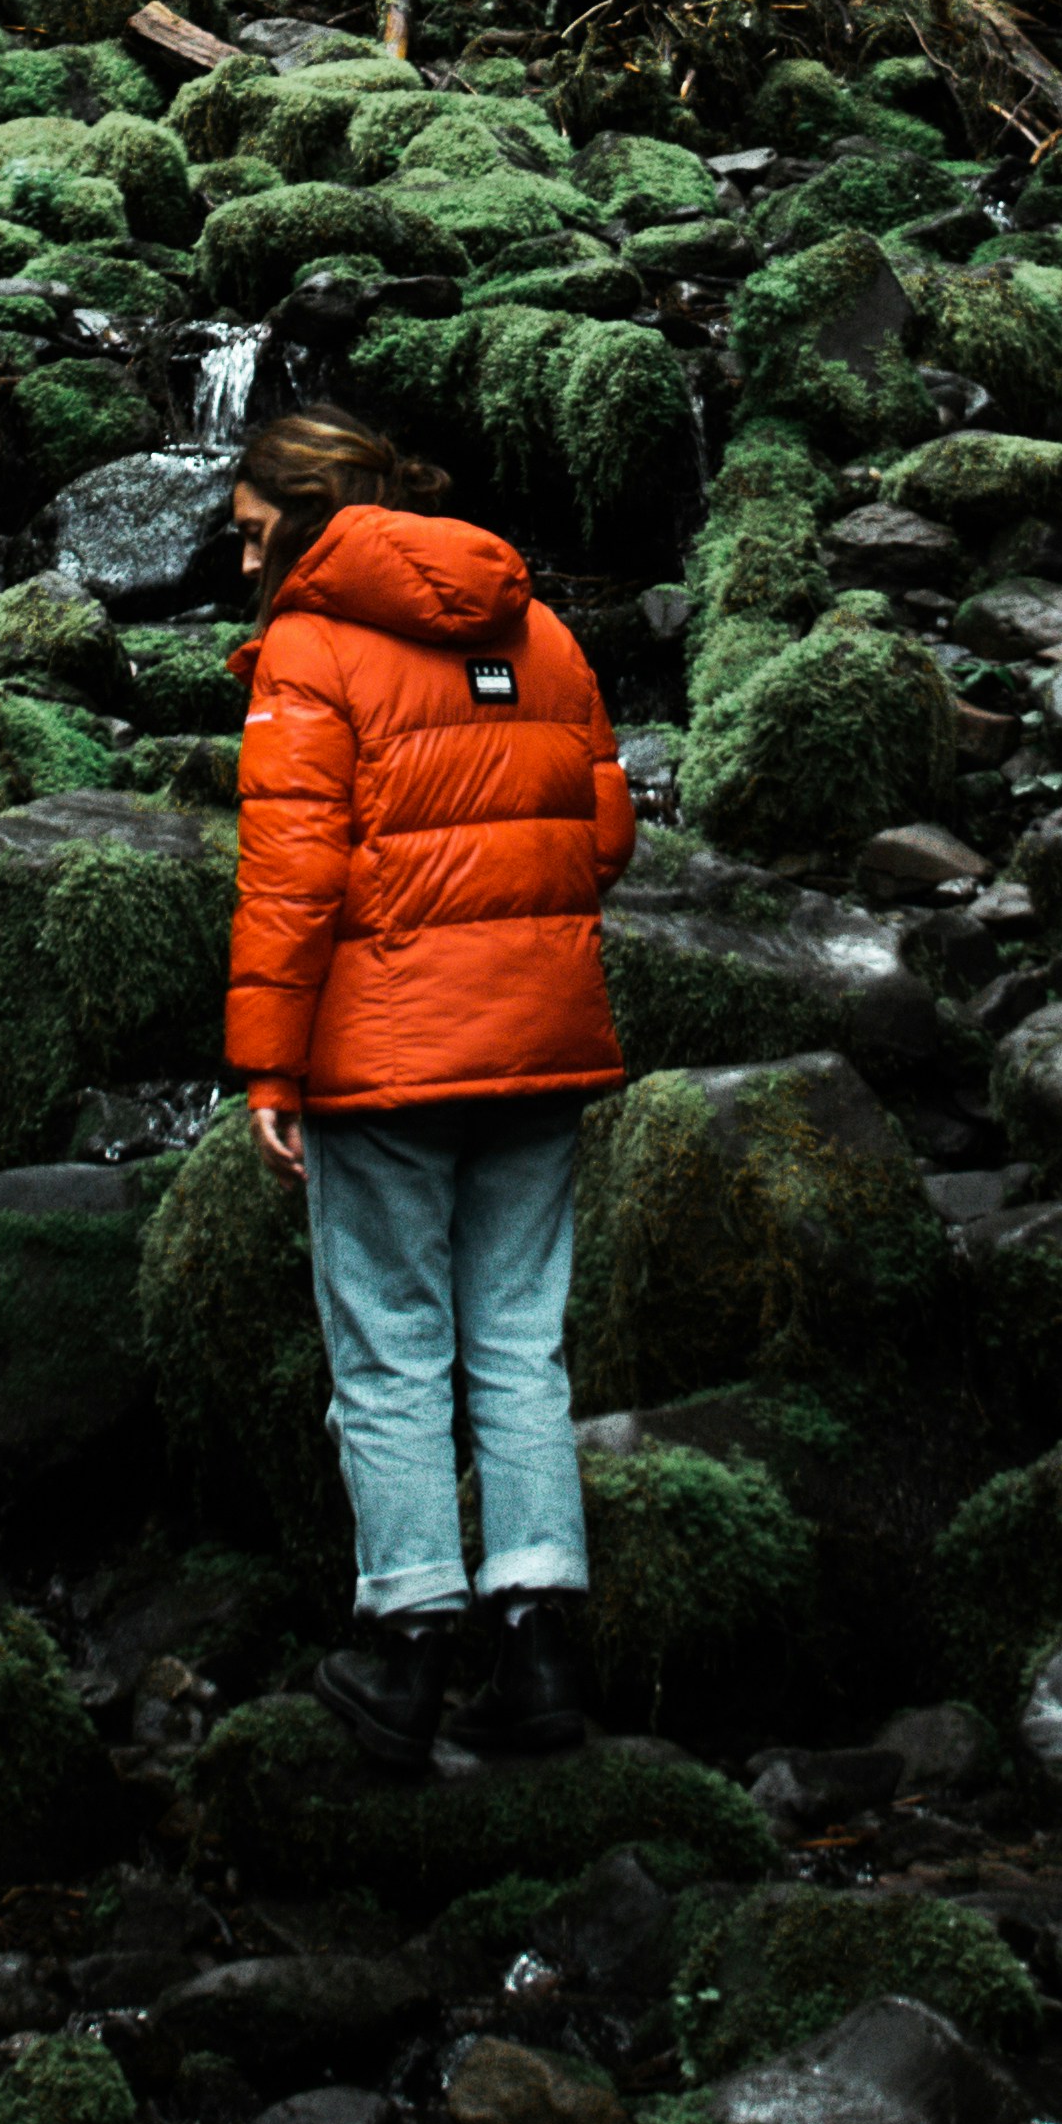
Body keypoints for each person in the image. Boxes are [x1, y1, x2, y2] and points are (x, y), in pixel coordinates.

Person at [222, 400, 636, 1776]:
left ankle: (405, 1647)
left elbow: (292, 875)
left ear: (301, 512)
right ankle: (537, 1650)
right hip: (541, 1040)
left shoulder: (310, 641)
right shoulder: (543, 628)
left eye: (248, 534)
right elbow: (605, 828)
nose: (240, 565)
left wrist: (268, 1062)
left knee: (391, 1345)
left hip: (386, 1058)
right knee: (520, 1339)